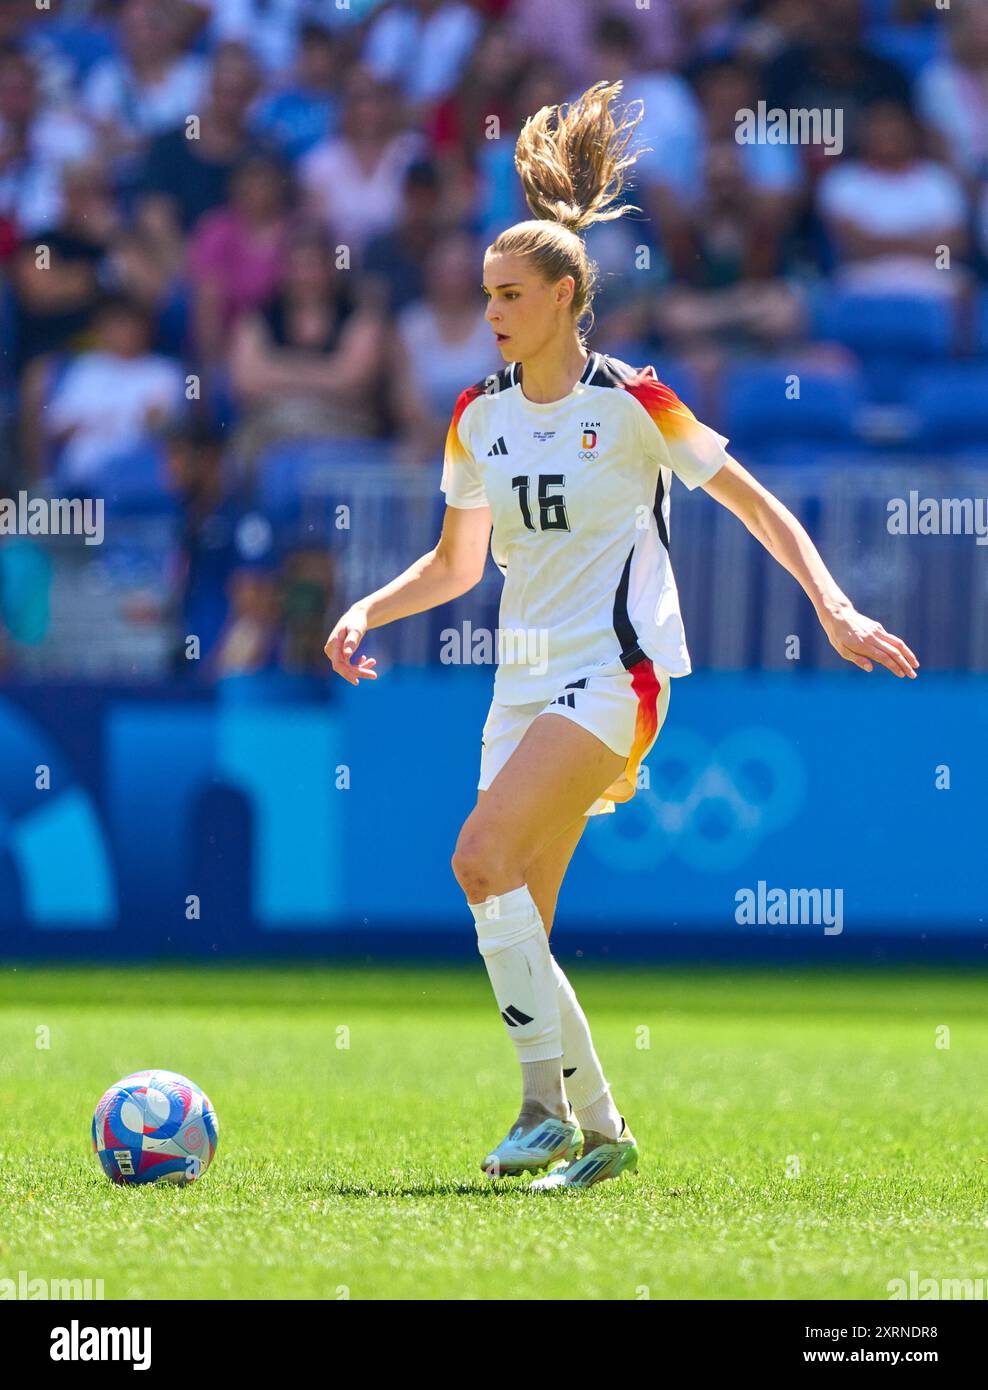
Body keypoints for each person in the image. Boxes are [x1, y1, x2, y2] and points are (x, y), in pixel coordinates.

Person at [322, 81, 919, 1191]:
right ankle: (606, 1133)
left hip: (619, 675)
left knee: (474, 857)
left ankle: (538, 1107)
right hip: (516, 685)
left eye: (508, 292)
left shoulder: (635, 403)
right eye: (484, 290)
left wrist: (832, 605)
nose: (488, 307)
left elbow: (753, 502)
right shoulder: (477, 413)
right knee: (517, 920)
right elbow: (455, 566)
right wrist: (370, 607)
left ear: (563, 295)